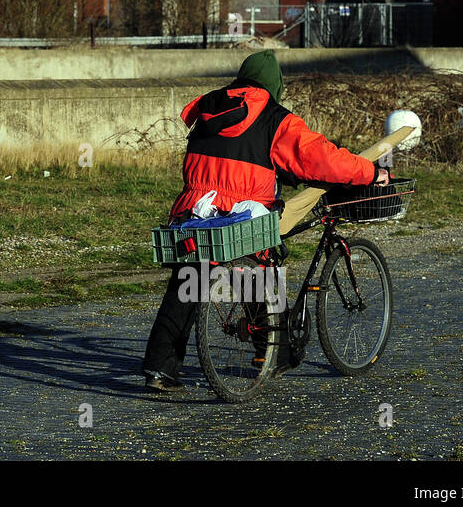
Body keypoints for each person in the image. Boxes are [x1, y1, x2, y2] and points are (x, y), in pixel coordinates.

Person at [142, 49, 389, 392]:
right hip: (241, 211)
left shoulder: (211, 107)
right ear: (274, 86)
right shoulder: (275, 117)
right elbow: (320, 158)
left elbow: (235, 155)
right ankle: (273, 353)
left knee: (188, 281)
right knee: (258, 267)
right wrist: (370, 172)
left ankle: (159, 369)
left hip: (195, 209)